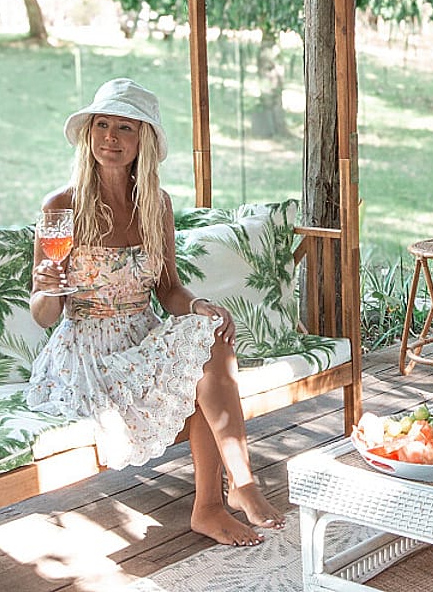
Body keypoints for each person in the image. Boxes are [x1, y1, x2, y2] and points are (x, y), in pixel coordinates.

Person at [26, 77, 284, 547]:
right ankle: (226, 494)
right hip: (87, 353)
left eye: (124, 127)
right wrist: (44, 288)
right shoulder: (61, 207)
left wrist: (198, 305)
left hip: (143, 337)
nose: (110, 137)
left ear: (142, 139)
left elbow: (168, 288)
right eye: (101, 124)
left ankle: (226, 496)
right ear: (88, 134)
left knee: (211, 336)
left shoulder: (155, 204)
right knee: (203, 374)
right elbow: (44, 315)